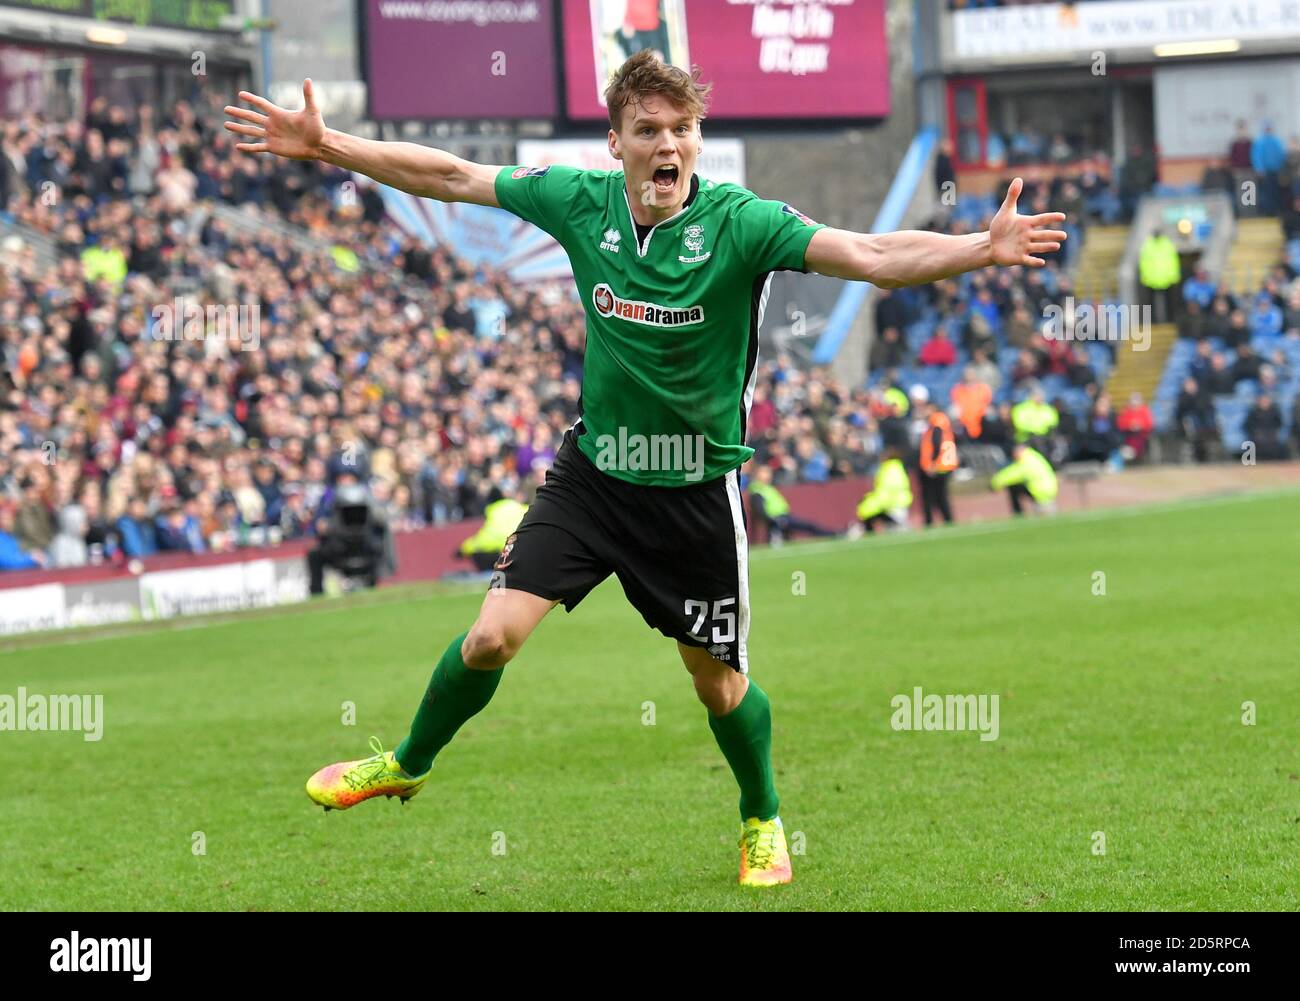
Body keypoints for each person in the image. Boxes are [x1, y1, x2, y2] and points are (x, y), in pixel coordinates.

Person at [226, 53, 1067, 887]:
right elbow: (451, 174)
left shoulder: (742, 223)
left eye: (682, 129)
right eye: (649, 130)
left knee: (719, 688)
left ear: (697, 139)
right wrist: (328, 144)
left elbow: (874, 252)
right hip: (594, 477)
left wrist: (979, 249)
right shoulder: (577, 201)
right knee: (490, 637)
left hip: (696, 496)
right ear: (616, 143)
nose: (668, 144)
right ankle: (407, 761)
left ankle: (762, 815)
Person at [746, 464, 835, 544]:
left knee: (808, 525)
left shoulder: (767, 487)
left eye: (769, 472)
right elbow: (760, 511)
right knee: (808, 526)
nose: (768, 475)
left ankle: (833, 533)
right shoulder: (757, 489)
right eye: (765, 472)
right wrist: (775, 521)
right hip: (779, 519)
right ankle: (834, 533)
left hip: (784, 516)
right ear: (757, 474)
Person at [457, 490, 529, 572]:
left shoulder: (492, 511)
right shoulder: (522, 508)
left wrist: (462, 549)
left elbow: (480, 539)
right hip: (509, 553)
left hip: (486, 553)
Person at [915, 389, 957, 526]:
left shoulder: (936, 421)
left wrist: (933, 462)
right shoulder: (942, 421)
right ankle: (946, 520)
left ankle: (939, 520)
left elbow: (936, 442)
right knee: (939, 496)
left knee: (936, 496)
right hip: (944, 463)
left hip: (939, 465)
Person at [855, 448, 913, 533]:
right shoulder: (898, 468)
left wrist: (864, 508)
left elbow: (883, 494)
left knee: (868, 514)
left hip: (891, 507)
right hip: (902, 505)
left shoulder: (887, 470)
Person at [990, 443, 1058, 516]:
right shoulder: (1034, 456)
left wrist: (995, 482)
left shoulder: (1026, 460)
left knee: (1013, 486)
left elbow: (1013, 474)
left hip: (1040, 492)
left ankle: (1018, 513)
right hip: (1050, 490)